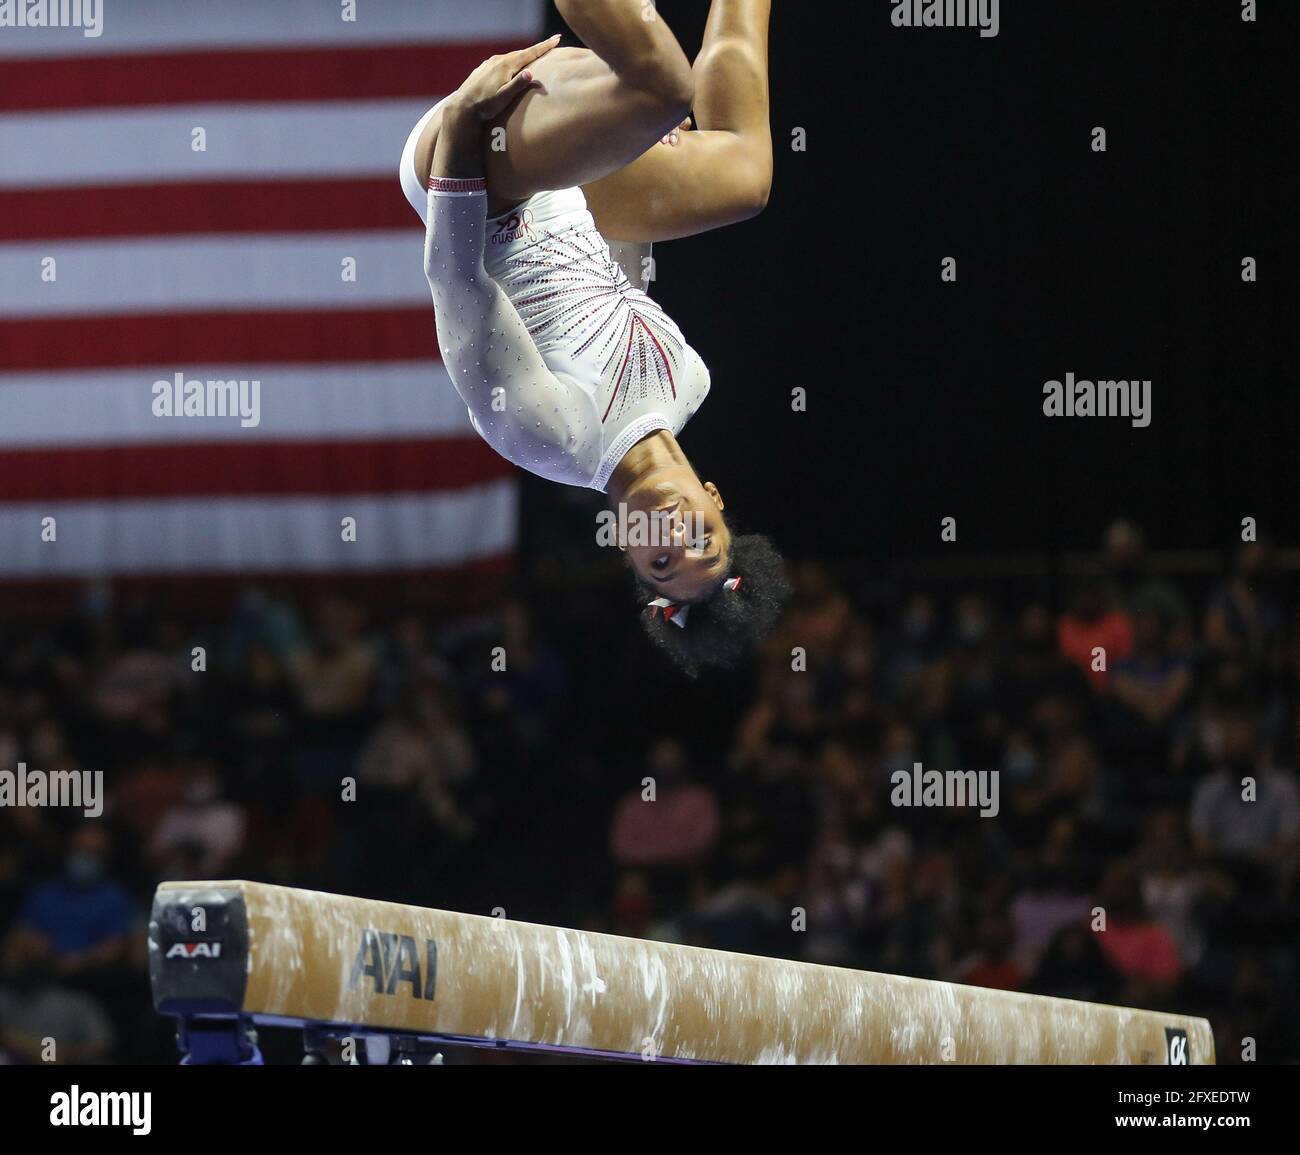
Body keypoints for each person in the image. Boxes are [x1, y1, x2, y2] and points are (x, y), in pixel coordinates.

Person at [400, 1, 789, 675]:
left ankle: (635, 99)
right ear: (716, 502)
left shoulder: (554, 438)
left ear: (628, 551)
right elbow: (613, 277)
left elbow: (455, 279)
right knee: (744, 177)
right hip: (570, 191)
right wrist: (635, 148)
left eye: (662, 559)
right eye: (702, 537)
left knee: (663, 89)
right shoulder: (688, 380)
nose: (672, 533)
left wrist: (463, 121)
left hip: (479, 183)